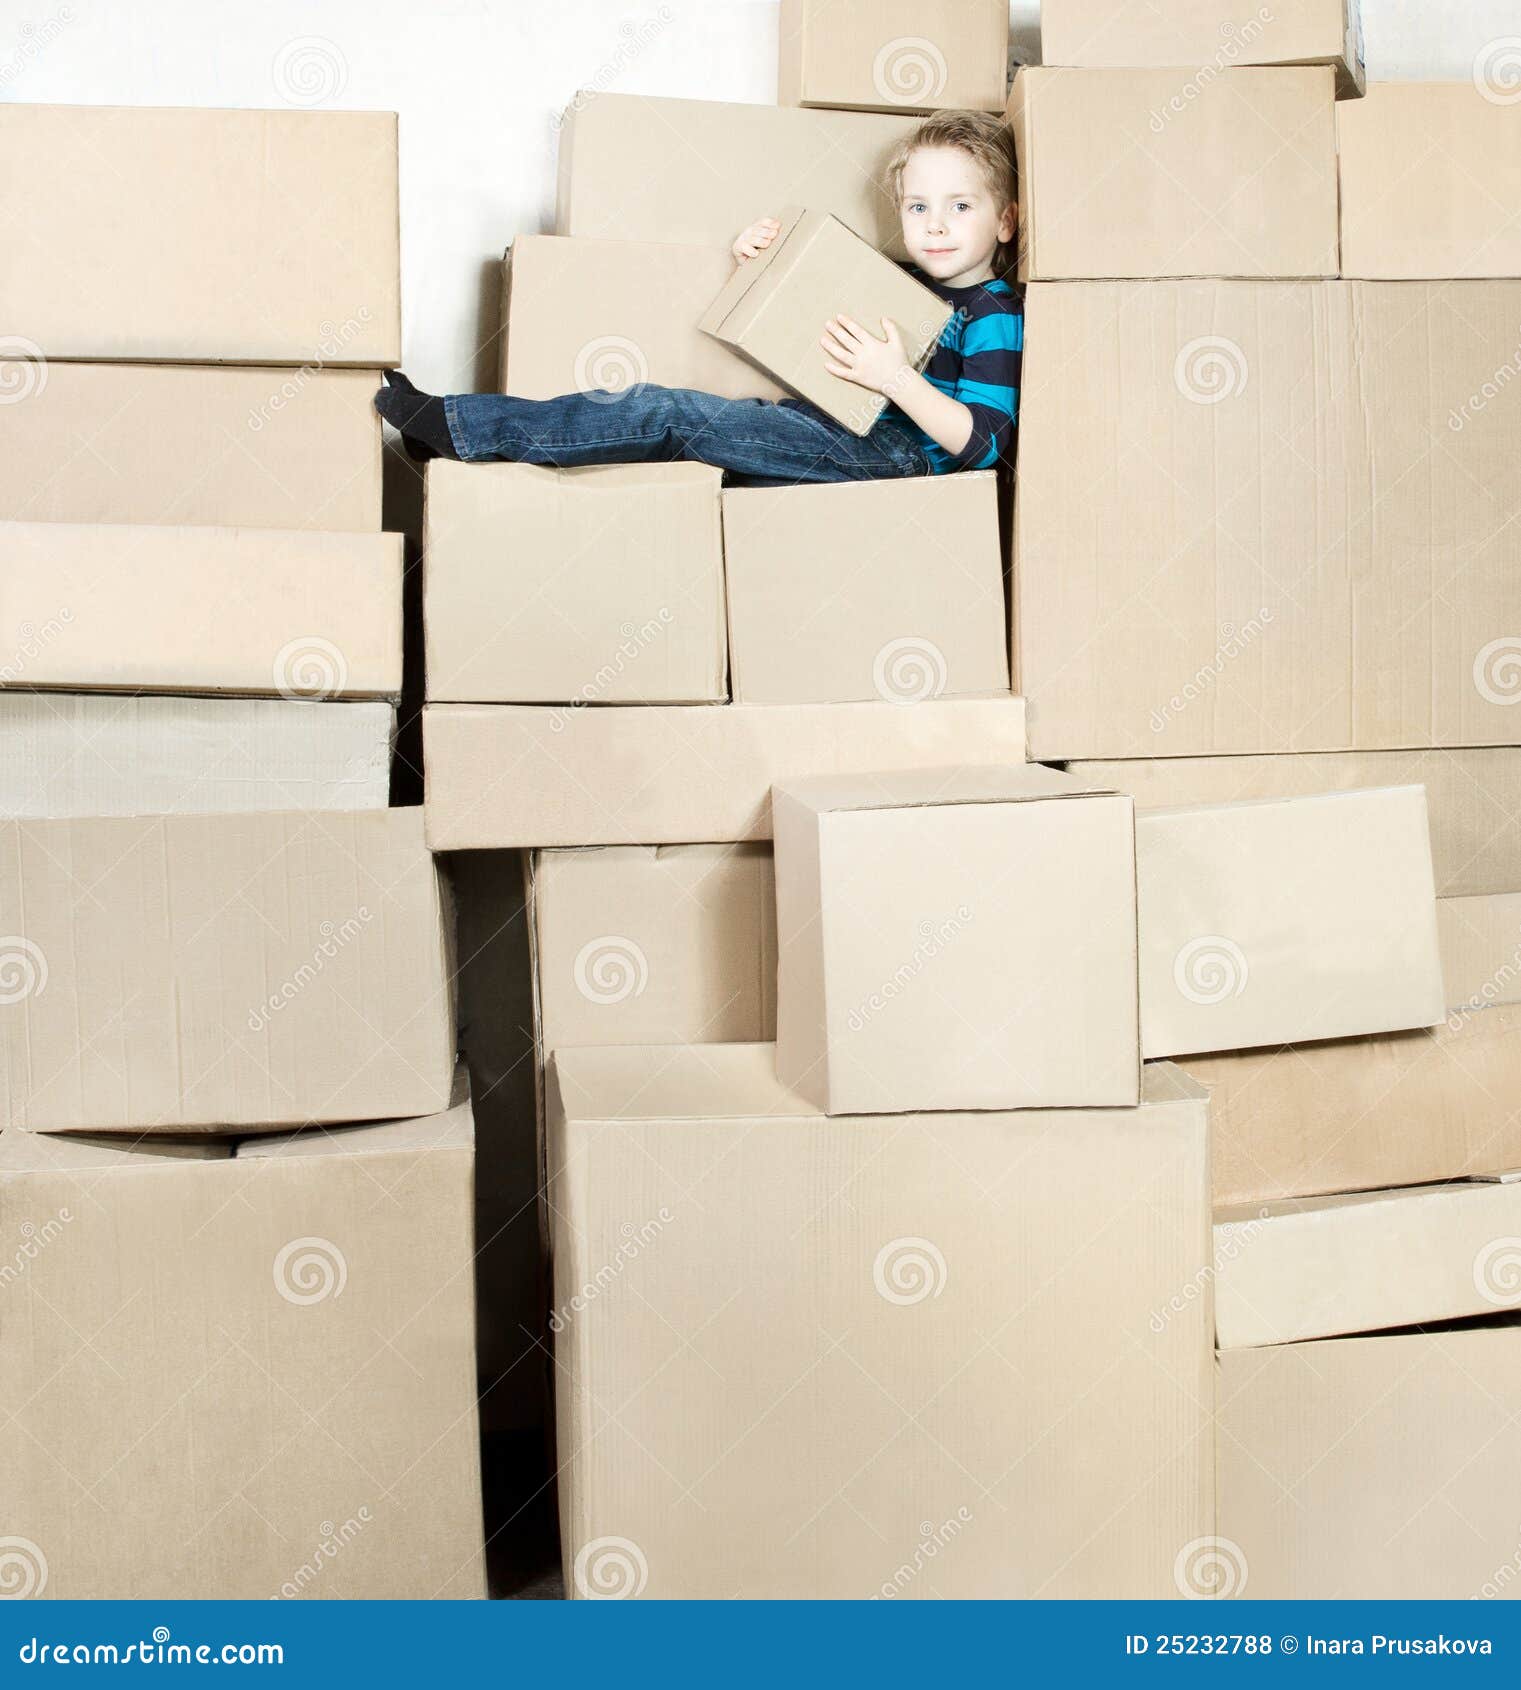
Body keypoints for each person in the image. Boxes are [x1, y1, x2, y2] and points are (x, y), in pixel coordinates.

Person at [376, 109, 1022, 487]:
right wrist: (760, 263)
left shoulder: (991, 313)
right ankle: (465, 437)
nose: (934, 225)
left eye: (959, 206)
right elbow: (806, 318)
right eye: (917, 206)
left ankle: (460, 427)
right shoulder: (900, 282)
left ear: (1004, 221)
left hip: (897, 462)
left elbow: (986, 443)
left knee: (670, 414)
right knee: (697, 420)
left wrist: (895, 379)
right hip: (837, 427)